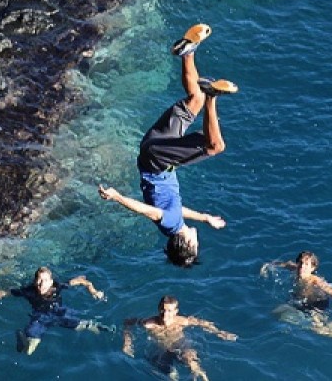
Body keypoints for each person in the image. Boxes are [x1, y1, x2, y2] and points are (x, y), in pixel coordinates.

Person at [97, 23, 235, 267]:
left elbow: (148, 211)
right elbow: (179, 210)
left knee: (215, 147)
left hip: (160, 161)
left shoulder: (169, 223)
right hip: (153, 147)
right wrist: (205, 218)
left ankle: (213, 97)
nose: (199, 243)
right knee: (195, 100)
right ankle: (187, 51)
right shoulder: (173, 224)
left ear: (188, 244)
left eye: (196, 246)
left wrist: (117, 197)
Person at [0, 266, 110, 355]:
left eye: (44, 281)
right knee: (28, 351)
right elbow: (6, 292)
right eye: (38, 281)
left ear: (51, 281)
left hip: (59, 312)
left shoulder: (57, 287)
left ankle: (108, 333)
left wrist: (94, 291)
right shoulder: (29, 291)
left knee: (88, 326)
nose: (41, 285)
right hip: (40, 318)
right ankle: (21, 336)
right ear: (34, 282)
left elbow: (81, 281)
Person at [122, 295, 237, 381]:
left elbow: (202, 323)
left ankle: (203, 377)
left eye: (169, 311)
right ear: (158, 308)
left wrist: (220, 332)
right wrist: (127, 342)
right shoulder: (148, 323)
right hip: (163, 350)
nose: (165, 314)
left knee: (193, 364)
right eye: (163, 309)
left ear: (176, 312)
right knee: (170, 375)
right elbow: (127, 322)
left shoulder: (181, 321)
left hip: (181, 345)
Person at [261, 251, 332, 343]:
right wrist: (266, 266)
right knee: (276, 312)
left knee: (318, 328)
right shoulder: (295, 269)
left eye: (306, 265)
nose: (302, 267)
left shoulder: (316, 281)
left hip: (317, 303)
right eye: (301, 263)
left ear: (312, 268)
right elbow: (283, 264)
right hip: (300, 301)